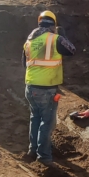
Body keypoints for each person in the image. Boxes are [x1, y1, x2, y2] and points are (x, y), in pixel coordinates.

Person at [22, 10, 76, 165]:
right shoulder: (55, 39)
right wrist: (63, 35)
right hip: (46, 89)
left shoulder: (29, 42)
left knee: (35, 118)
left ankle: (33, 150)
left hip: (30, 87)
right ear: (53, 25)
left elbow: (24, 64)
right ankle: (44, 157)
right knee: (47, 122)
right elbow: (72, 50)